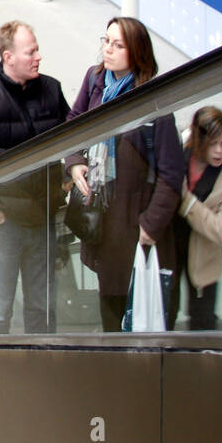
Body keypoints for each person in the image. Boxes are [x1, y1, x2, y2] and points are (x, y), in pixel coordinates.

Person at [64, 17, 184, 332]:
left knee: (138, 317)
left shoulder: (153, 102)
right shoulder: (96, 81)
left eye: (118, 45)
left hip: (136, 229)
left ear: (137, 52)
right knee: (110, 311)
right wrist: (75, 160)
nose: (108, 50)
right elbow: (74, 122)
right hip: (104, 219)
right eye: (106, 41)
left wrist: (150, 226)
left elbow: (171, 175)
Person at [0, 20, 70, 334]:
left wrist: (65, 184)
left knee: (42, 309)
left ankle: (42, 371)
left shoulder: (51, 90)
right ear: (9, 57)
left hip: (44, 218)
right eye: (30, 51)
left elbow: (73, 138)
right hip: (4, 223)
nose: (38, 57)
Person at [174, 106, 222, 330]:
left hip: (204, 253)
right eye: (212, 144)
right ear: (199, 141)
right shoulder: (178, 153)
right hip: (169, 244)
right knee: (164, 313)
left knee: (203, 321)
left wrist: (187, 202)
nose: (219, 151)